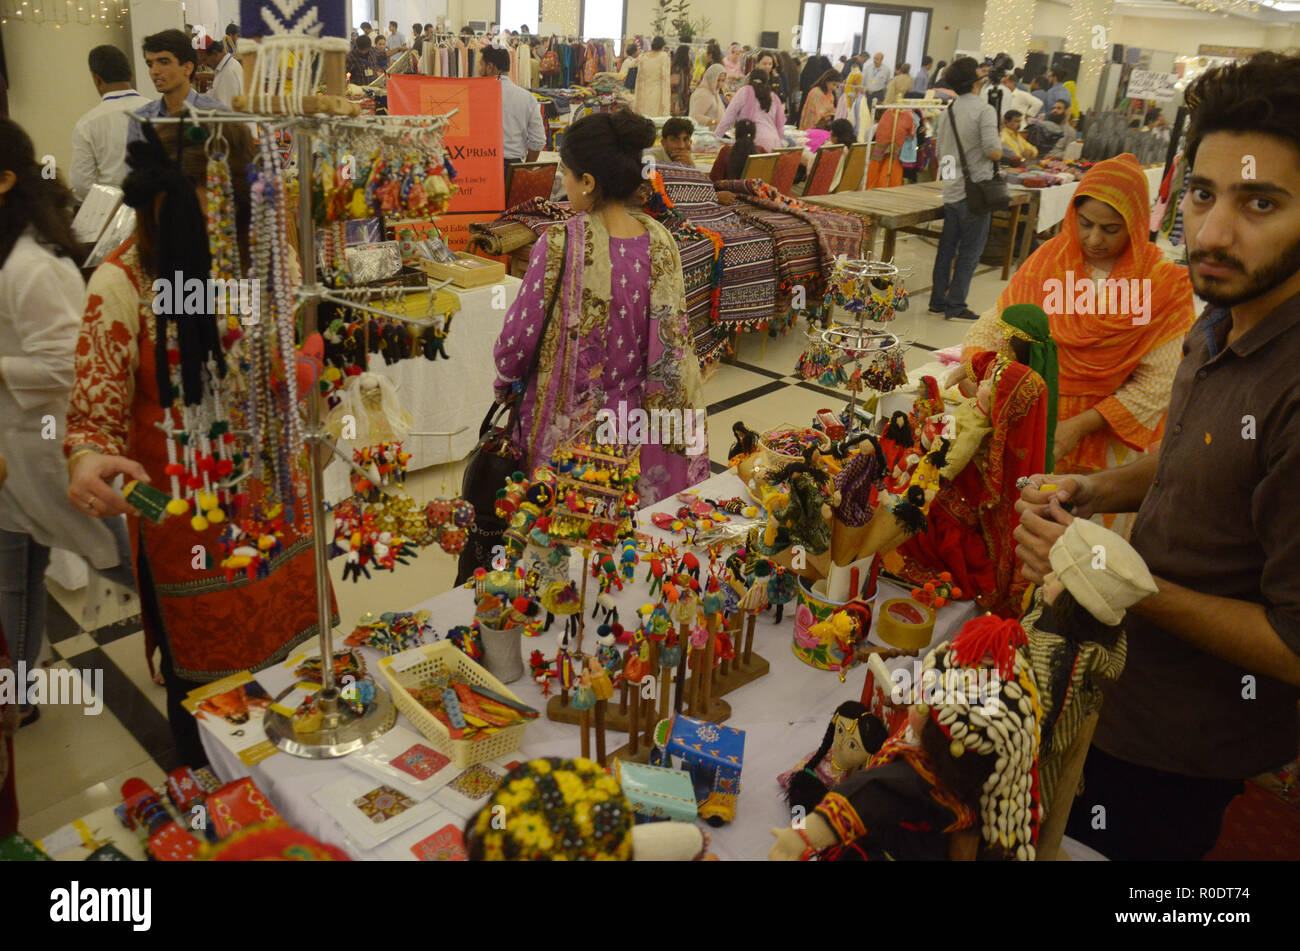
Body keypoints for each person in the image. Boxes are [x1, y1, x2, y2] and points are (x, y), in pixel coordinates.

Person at [1013, 52, 1300, 861]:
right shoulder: (1221, 318)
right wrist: (1093, 483)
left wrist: (1121, 580)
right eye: (1204, 195)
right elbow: (1186, 455)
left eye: (1261, 203)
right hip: (1113, 681)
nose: (1211, 232)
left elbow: (1293, 641)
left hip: (1185, 735)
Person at [64, 116, 306, 770]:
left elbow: (286, 353)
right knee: (205, 696)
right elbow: (93, 413)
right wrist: (87, 456)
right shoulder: (121, 285)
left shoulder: (267, 256)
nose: (220, 242)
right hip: (180, 520)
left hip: (271, 502)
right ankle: (215, 801)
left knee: (294, 674)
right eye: (203, 226)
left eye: (232, 220)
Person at [491, 110, 709, 507]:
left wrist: (504, 382)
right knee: (627, 548)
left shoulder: (559, 244)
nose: (562, 182)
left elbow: (518, 342)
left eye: (566, 174)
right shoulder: (661, 241)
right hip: (639, 432)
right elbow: (676, 342)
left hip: (572, 439)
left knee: (565, 542)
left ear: (588, 182)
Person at [0, 119, 135, 728]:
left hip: (54, 446)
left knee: (119, 555)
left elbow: (65, 365)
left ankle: (191, 637)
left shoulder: (32, 265)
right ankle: (16, 692)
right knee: (11, 577)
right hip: (12, 452)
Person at [959, 153, 1194, 488]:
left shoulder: (1162, 285)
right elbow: (997, 325)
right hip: (1029, 425)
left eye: (1111, 229)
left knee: (1080, 531)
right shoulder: (1049, 261)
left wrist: (1079, 425)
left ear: (1137, 223)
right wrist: (974, 364)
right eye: (1085, 224)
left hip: (1107, 446)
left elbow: (1158, 384)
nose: (1094, 240)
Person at [928, 57, 1001, 321]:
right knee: (970, 252)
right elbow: (993, 151)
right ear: (974, 82)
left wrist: (953, 182)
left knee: (946, 249)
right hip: (977, 194)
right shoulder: (985, 110)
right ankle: (956, 305)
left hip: (952, 193)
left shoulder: (948, 111)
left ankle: (938, 300)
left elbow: (940, 152)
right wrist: (1003, 152)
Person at [70, 45, 149, 200]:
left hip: (112, 212)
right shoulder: (157, 111)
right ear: (131, 75)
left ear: (96, 79)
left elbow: (82, 184)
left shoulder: (87, 124)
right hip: (156, 209)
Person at [129, 30, 224, 144]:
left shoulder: (215, 115)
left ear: (188, 68)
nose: (154, 71)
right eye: (150, 64)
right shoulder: (141, 119)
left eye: (164, 62)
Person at [480, 46, 544, 164]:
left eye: (481, 65)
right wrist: (525, 167)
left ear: (490, 67)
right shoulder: (527, 98)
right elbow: (538, 140)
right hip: (512, 165)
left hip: (482, 165)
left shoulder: (476, 96)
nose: (479, 70)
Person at [714, 69, 787, 152]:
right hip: (773, 143)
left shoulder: (744, 91)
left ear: (749, 79)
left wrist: (715, 138)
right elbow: (780, 126)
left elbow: (728, 117)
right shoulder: (773, 96)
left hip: (752, 143)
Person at [864, 101, 914, 189]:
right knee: (889, 178)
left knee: (878, 177)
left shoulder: (888, 115)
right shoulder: (907, 117)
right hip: (893, 155)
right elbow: (912, 135)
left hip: (882, 154)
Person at [197, 33, 243, 108]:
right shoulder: (224, 68)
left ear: (215, 53)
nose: (205, 65)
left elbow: (227, 110)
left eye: (205, 60)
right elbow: (212, 95)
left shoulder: (228, 72)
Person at [635, 36, 672, 117]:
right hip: (657, 92)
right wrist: (666, 101)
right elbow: (665, 78)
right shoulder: (664, 56)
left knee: (643, 117)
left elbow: (638, 75)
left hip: (643, 92)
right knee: (655, 117)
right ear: (662, 46)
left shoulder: (643, 56)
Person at [690, 61, 727, 130]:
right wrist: (715, 121)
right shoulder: (703, 94)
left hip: (713, 135)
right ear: (711, 78)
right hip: (703, 136)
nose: (720, 84)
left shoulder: (714, 93)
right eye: (718, 80)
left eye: (723, 80)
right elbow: (695, 117)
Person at [670, 44, 692, 116]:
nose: (690, 55)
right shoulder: (677, 69)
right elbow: (674, 88)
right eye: (689, 53)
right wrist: (675, 104)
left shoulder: (685, 69)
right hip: (678, 104)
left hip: (684, 101)